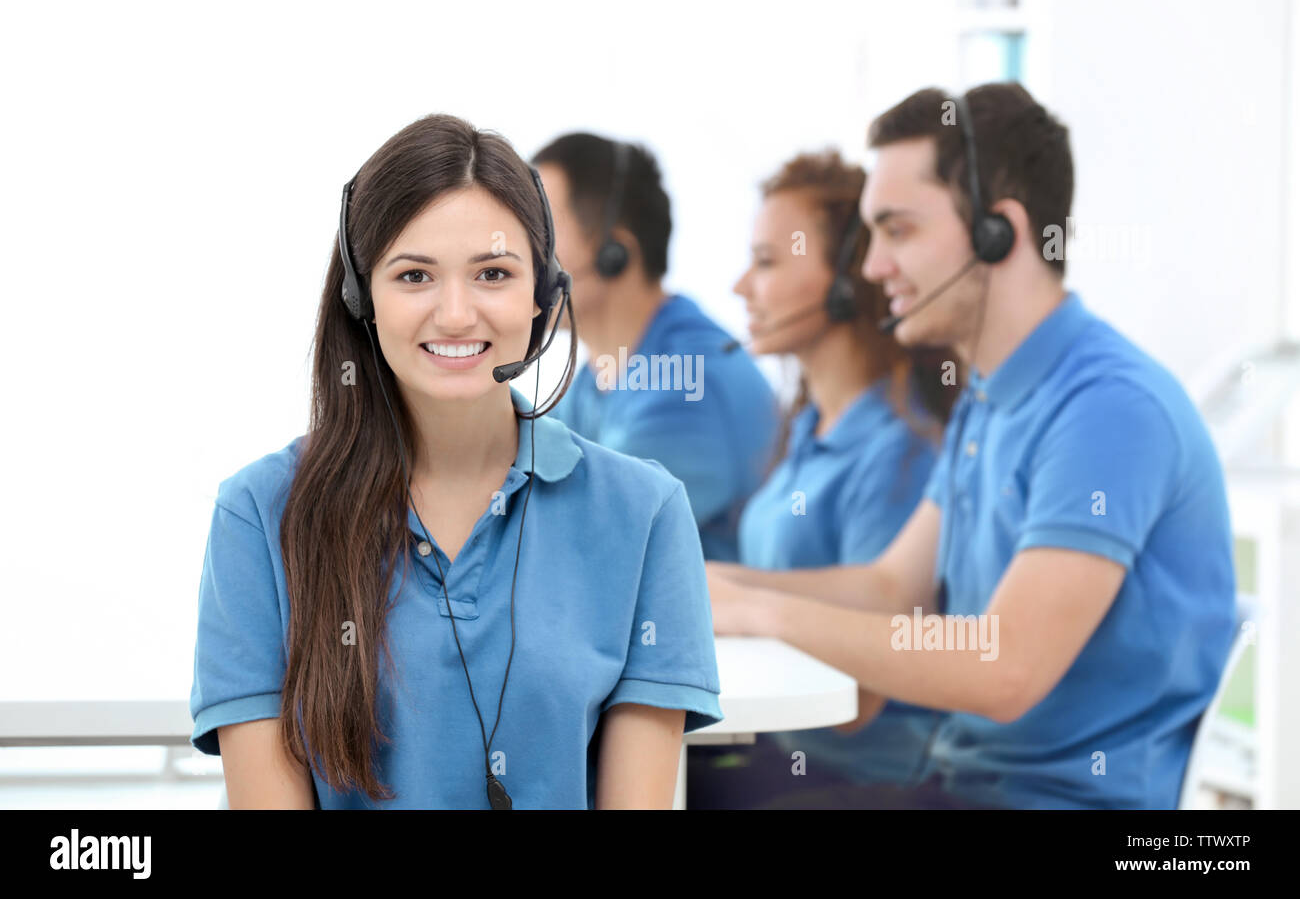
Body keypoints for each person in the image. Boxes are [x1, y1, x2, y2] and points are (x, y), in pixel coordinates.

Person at [706, 83, 1237, 809]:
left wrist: (765, 615)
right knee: (693, 787)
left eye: (898, 231)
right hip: (967, 788)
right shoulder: (988, 399)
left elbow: (1006, 667)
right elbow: (891, 588)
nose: (871, 268)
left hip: (1060, 804)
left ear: (1000, 232)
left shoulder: (1108, 409)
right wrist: (724, 588)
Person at [189, 114, 723, 809]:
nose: (456, 313)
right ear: (362, 298)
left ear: (542, 295)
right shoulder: (258, 516)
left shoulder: (645, 513)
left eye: (493, 273)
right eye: (414, 275)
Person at [687, 150, 957, 809]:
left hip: (864, 773)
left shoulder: (901, 450)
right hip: (786, 748)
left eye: (768, 262)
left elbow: (860, 700)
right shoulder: (809, 428)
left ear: (846, 283)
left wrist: (733, 598)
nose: (742, 286)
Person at [533, 133, 779, 561]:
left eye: (540, 232)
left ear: (615, 254)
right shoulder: (597, 381)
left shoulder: (689, 387)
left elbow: (575, 547)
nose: (516, 256)